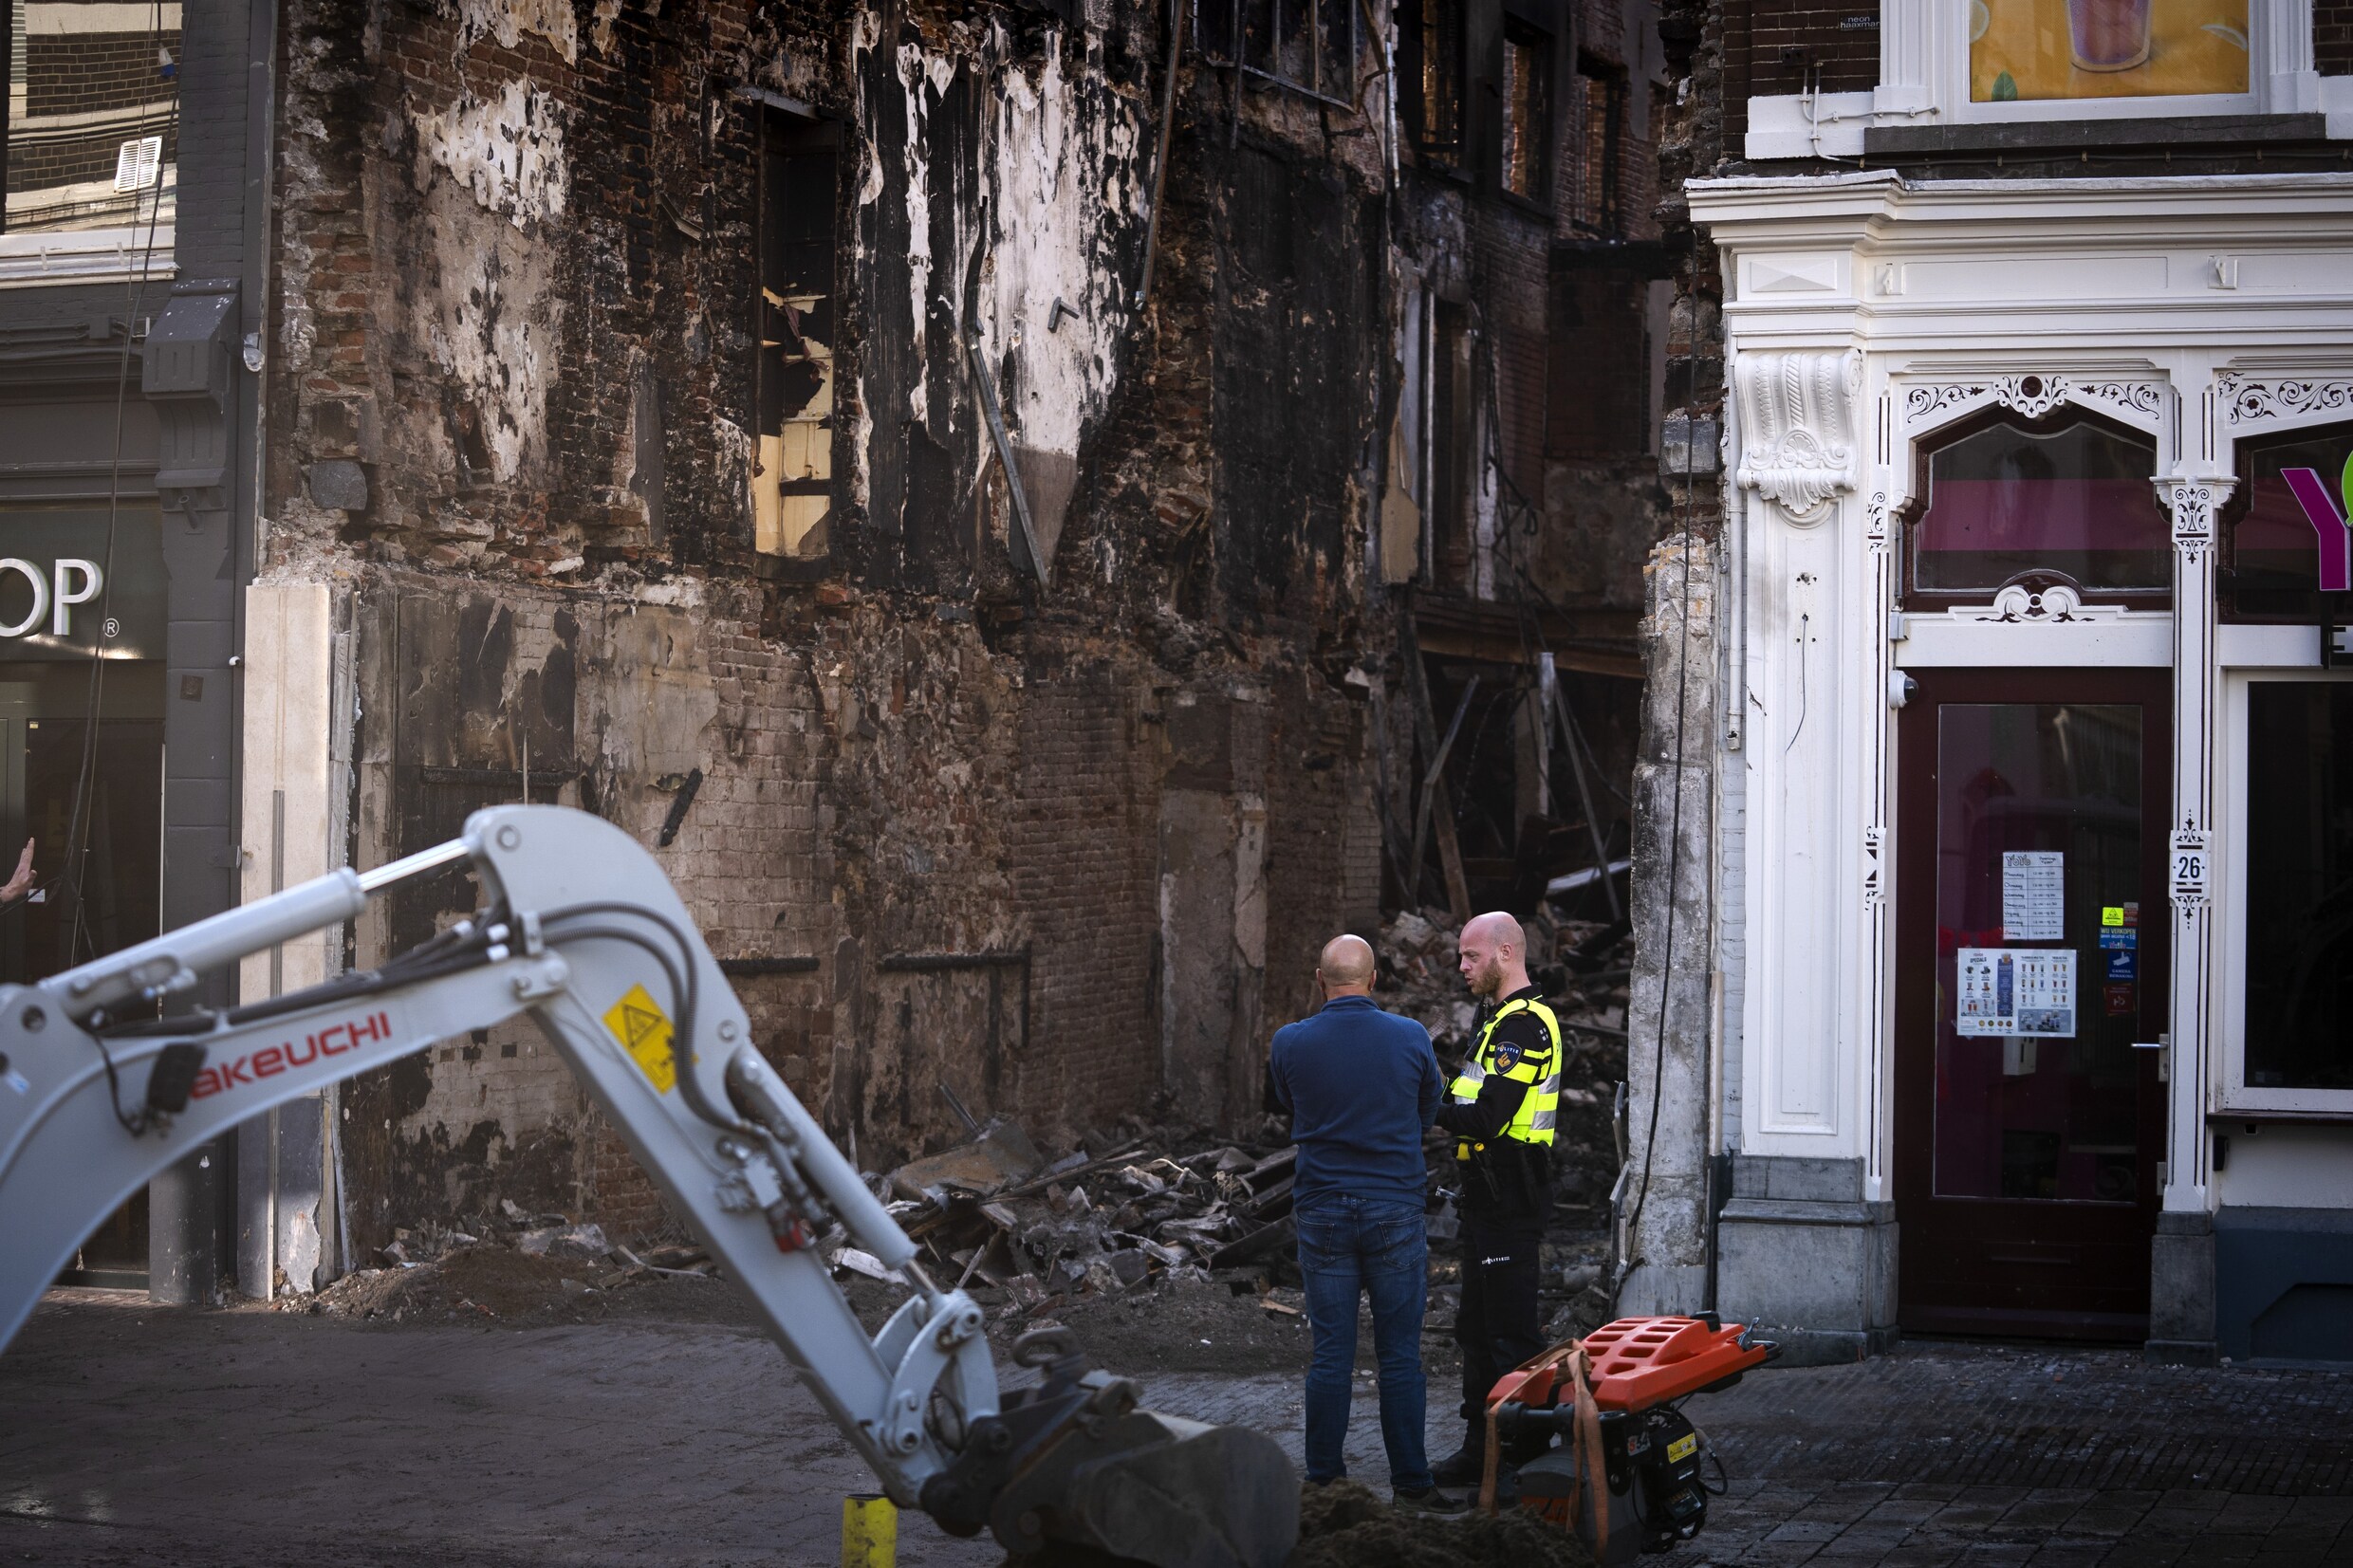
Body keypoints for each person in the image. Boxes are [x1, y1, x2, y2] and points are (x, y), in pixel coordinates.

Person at [1266, 933, 1465, 1515]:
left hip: (1323, 1209)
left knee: (1331, 1354)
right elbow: (1429, 1109)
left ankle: (1324, 1485)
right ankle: (1411, 1485)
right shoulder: (1409, 1036)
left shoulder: (1290, 1042)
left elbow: (1289, 1102)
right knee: (1400, 1355)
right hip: (1394, 1210)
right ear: (1374, 979)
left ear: (1319, 978)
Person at [1430, 911, 1562, 1496]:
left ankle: (1527, 1457)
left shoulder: (1524, 1026)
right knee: (1476, 1330)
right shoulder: (1496, 1019)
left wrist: (1422, 1105)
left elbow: (1485, 1117)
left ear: (1506, 954)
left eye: (1471, 956)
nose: (1462, 967)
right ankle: (1480, 1449)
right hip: (1485, 1197)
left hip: (1510, 1195)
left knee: (1511, 1334)